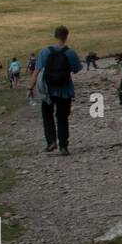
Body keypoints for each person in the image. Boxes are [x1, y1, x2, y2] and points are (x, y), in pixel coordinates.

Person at [28, 26, 82, 155]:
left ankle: (51, 142)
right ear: (66, 36)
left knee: (47, 116)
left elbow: (36, 71)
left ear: (55, 35)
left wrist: (30, 87)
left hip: (47, 91)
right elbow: (76, 69)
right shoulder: (70, 53)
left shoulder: (44, 52)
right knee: (62, 117)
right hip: (65, 90)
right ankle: (63, 146)